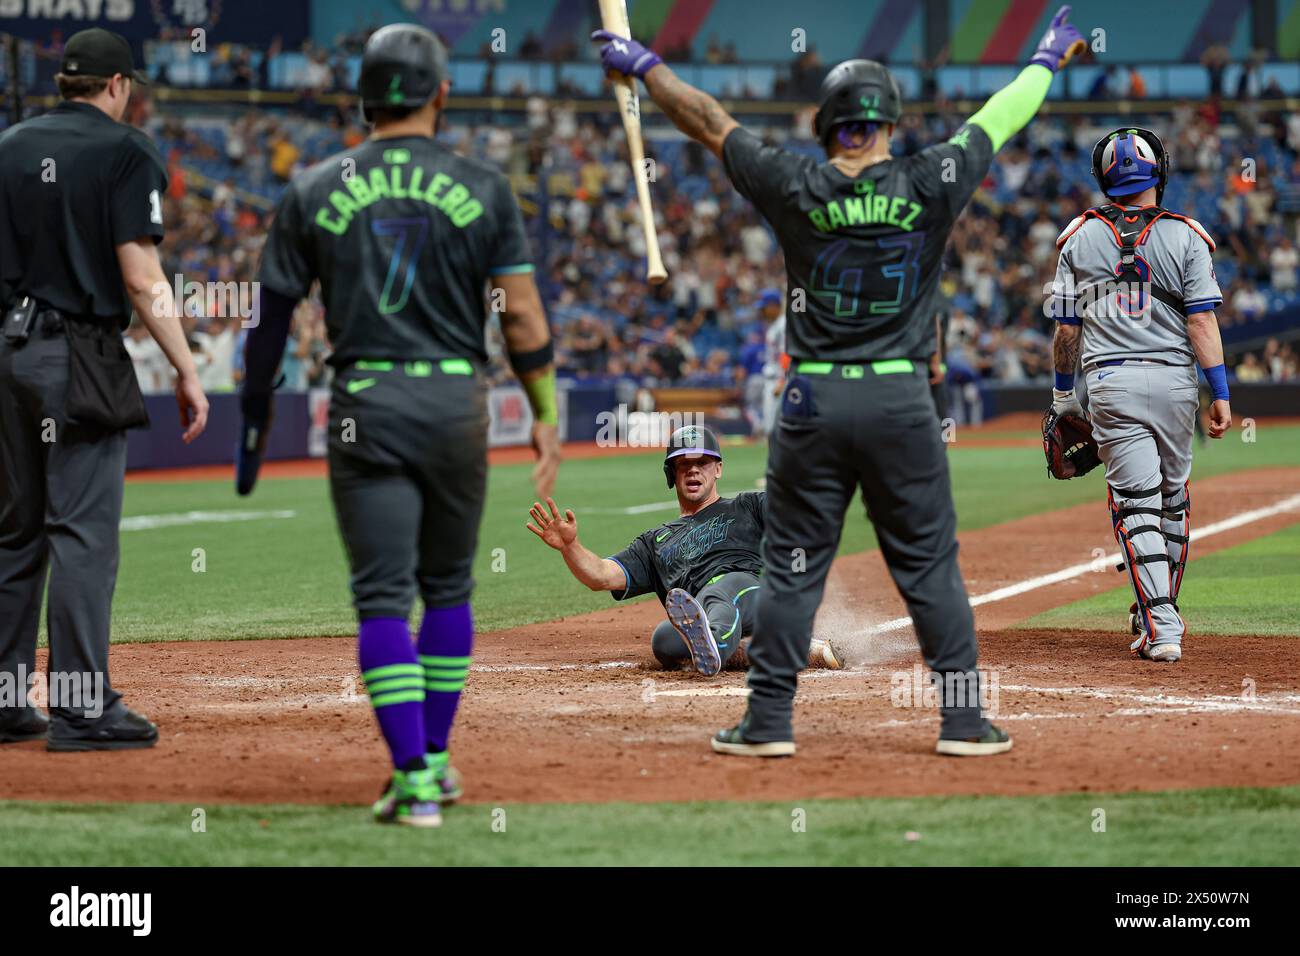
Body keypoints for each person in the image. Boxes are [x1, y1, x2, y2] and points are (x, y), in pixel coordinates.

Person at [593, 5, 1088, 759]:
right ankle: (961, 723)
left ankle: (766, 724)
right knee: (928, 569)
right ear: (890, 124)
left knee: (791, 569)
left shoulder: (795, 183)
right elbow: (1004, 112)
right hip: (898, 399)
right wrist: (1049, 56)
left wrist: (642, 65)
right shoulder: (933, 177)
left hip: (812, 401)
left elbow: (708, 119)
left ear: (826, 127)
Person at [239, 24, 561, 826]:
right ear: (440, 95)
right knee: (448, 590)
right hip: (456, 404)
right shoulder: (484, 185)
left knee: (383, 600)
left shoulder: (315, 185)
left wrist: (252, 417)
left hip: (366, 404)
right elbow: (521, 317)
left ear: (362, 100)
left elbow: (270, 323)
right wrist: (547, 414)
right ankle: (440, 762)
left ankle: (412, 777)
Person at [0, 28, 208, 749]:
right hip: (76, 356)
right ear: (118, 86)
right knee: (81, 535)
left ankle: (3, 700)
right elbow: (142, 277)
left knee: (15, 532)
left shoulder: (9, 145)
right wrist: (184, 366)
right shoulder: (125, 150)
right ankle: (82, 709)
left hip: (9, 354)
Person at [1050, 128, 1231, 663]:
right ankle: (1161, 611)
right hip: (1177, 383)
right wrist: (1218, 391)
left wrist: (1064, 398)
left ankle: (1161, 627)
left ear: (1104, 178)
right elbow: (1201, 322)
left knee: (1135, 506)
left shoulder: (1077, 239)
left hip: (1110, 380)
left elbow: (1066, 331)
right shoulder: (1188, 236)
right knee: (1172, 500)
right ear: (1160, 173)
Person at [526, 425, 841, 676]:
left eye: (702, 463)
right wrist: (570, 546)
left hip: (751, 594)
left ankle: (718, 644)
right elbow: (601, 576)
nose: (693, 471)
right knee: (664, 640)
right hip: (701, 612)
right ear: (671, 474)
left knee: (722, 590)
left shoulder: (749, 505)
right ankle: (772, 648)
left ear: (717, 469)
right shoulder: (654, 542)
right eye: (684, 465)